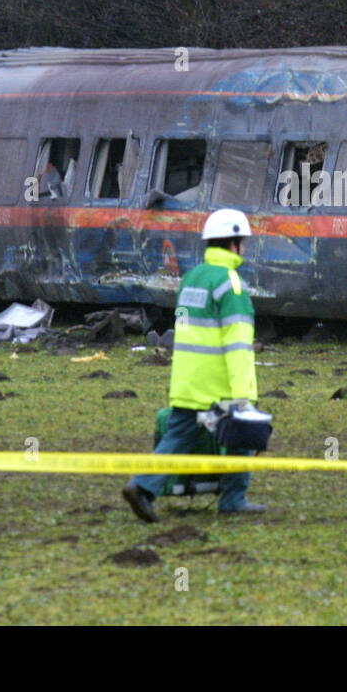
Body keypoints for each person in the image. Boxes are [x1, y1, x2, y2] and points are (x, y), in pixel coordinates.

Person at [122, 208, 265, 521]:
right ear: (233, 244)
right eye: (242, 242)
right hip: (219, 384)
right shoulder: (231, 283)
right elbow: (238, 344)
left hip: (186, 382)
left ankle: (142, 486)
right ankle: (233, 500)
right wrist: (243, 395)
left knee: (177, 439)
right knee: (240, 438)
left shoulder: (191, 279)